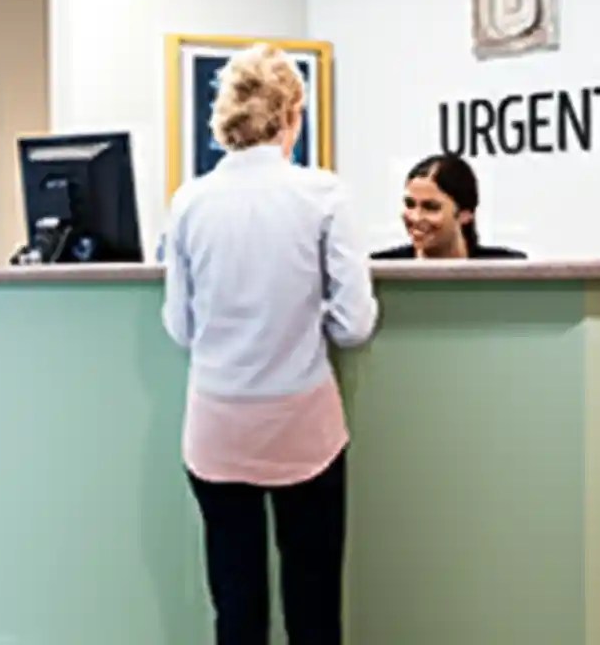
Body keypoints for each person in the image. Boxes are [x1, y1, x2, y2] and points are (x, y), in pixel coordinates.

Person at [161, 44, 379, 645]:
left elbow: (180, 327)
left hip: (217, 428)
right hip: (301, 426)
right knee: (313, 609)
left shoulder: (189, 202)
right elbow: (355, 323)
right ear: (292, 115)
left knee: (237, 607)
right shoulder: (323, 194)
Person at [372, 154, 526, 260]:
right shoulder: (377, 270)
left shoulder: (508, 271)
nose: (416, 217)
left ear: (465, 213)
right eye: (410, 204)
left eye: (431, 207)